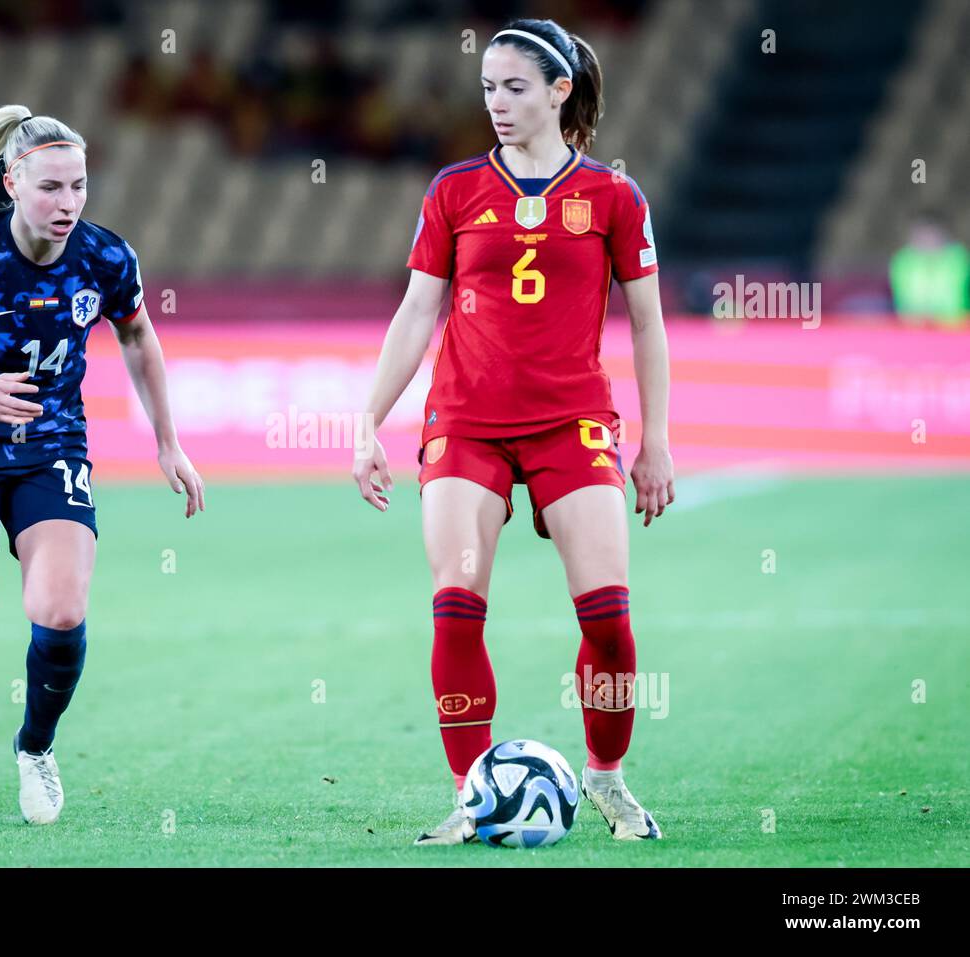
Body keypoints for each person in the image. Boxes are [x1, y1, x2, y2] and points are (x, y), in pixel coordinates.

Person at [352, 19, 673, 844]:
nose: (496, 102)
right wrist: (367, 419)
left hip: (573, 423)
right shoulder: (454, 190)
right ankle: (471, 792)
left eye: (515, 86)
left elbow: (648, 327)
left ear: (560, 91)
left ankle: (606, 776)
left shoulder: (613, 197)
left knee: (607, 616)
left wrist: (657, 441)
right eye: (488, 87)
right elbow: (417, 309)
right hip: (466, 424)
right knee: (456, 607)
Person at [0, 105, 205, 829]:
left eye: (79, 187)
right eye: (51, 188)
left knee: (59, 610)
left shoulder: (107, 258)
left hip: (52, 447)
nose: (68, 204)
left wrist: (168, 441)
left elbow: (140, 340)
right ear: (13, 183)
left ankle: (35, 748)